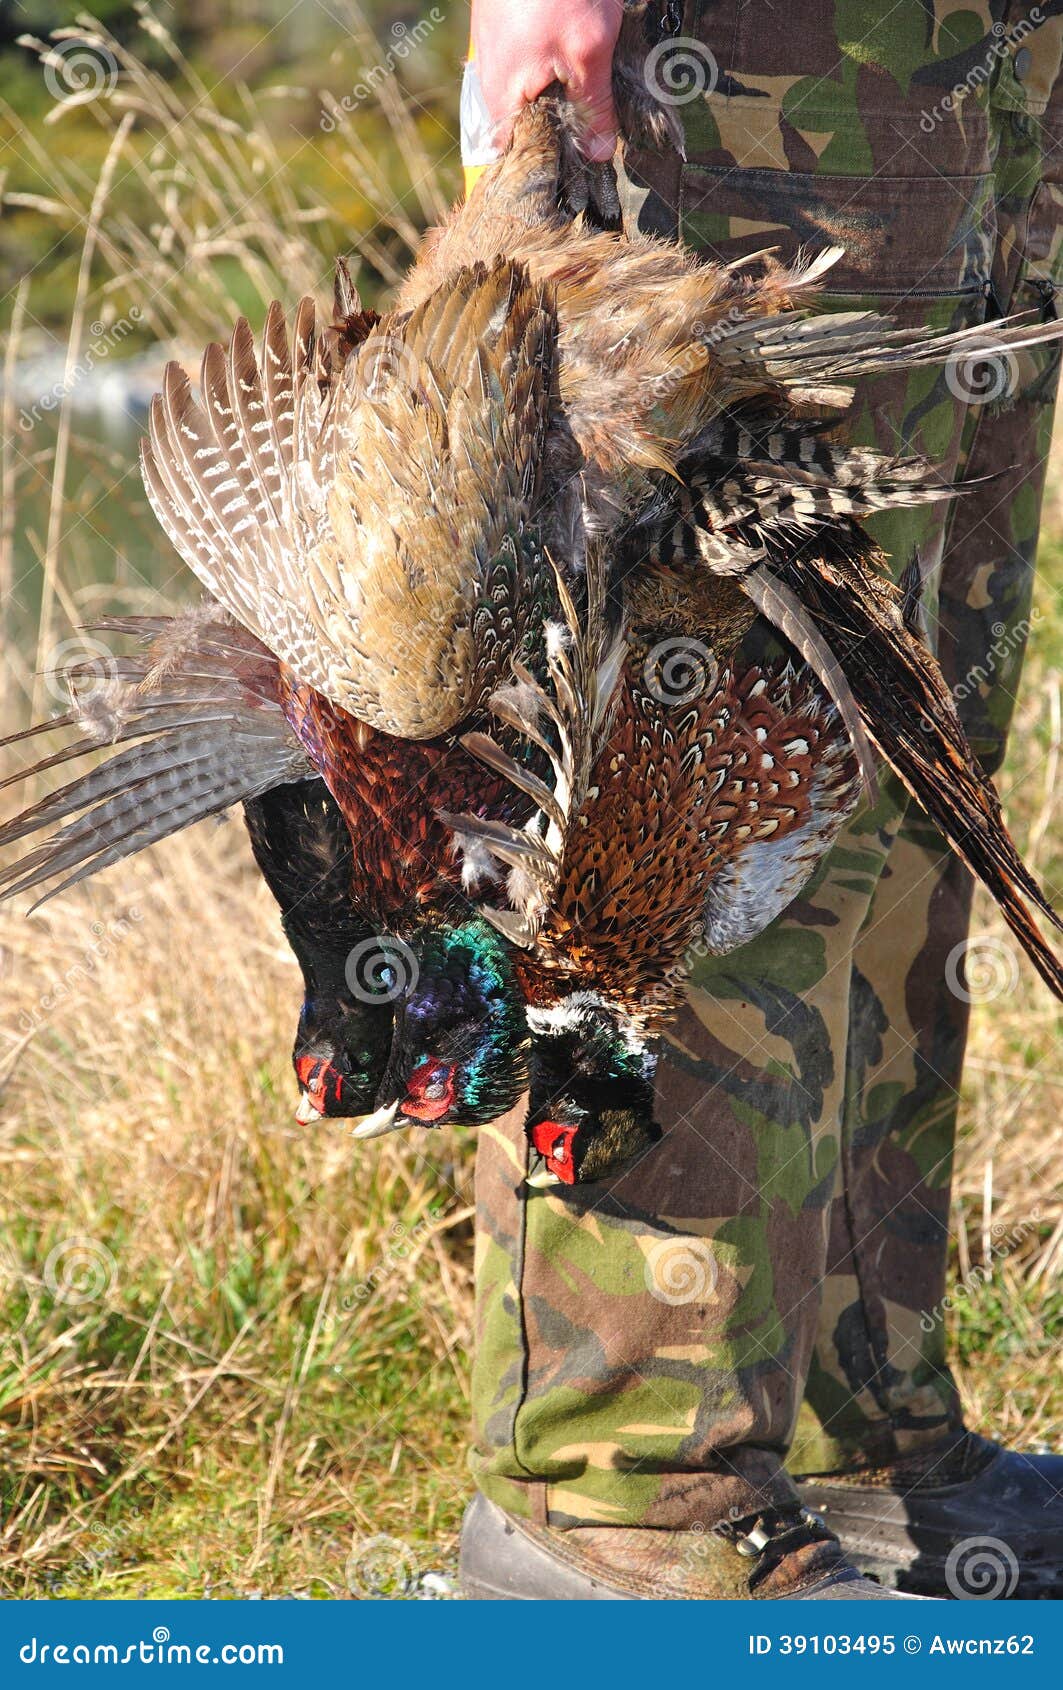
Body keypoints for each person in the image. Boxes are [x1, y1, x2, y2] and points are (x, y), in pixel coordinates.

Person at [458, 0, 1063, 1600]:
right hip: (736, 60)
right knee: (692, 781)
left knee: (899, 769)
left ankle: (860, 1429)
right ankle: (623, 1484)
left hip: (986, 64)